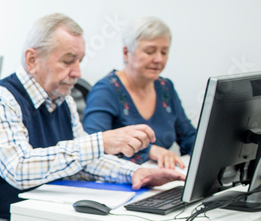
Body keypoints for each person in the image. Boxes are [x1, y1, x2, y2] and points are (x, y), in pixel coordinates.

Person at [0, 13, 185, 221]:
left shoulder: (62, 99)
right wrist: (101, 142)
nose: (77, 72)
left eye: (79, 61)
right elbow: (19, 168)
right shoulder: (0, 99)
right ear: (33, 60)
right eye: (68, 61)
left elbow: (85, 161)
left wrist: (139, 173)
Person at [82, 16, 196, 169]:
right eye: (150, 51)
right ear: (126, 52)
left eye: (164, 52)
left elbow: (188, 136)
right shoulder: (106, 90)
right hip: (122, 180)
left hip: (162, 179)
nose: (158, 59)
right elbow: (92, 146)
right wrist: (149, 151)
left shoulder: (165, 88)